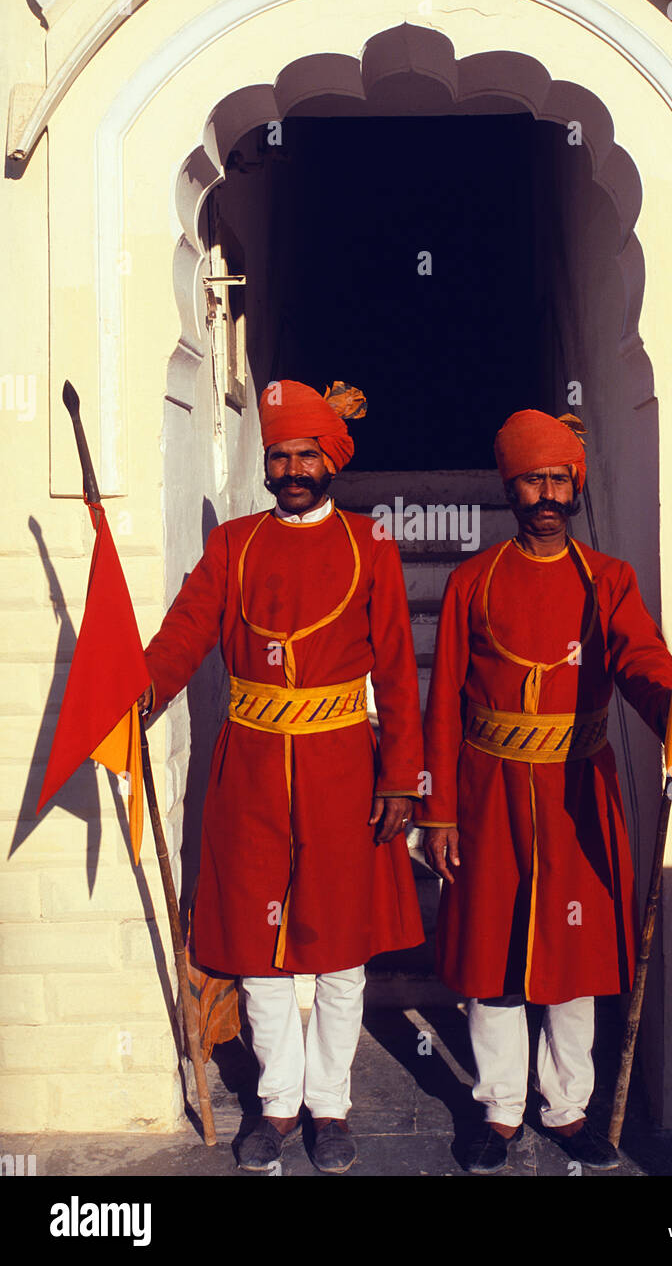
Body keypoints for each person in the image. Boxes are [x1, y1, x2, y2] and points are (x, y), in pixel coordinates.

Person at [139, 379, 424, 1173]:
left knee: (339, 954)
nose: (292, 468)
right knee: (260, 952)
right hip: (251, 773)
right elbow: (186, 630)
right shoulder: (233, 544)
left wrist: (401, 778)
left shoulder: (372, 544)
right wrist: (143, 690)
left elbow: (399, 673)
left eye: (306, 454)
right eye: (278, 456)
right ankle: (277, 1104)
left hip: (343, 771)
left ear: (331, 460)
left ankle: (330, 1107)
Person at [420, 407, 672, 1173]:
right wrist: (436, 812)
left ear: (574, 482)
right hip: (487, 791)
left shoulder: (610, 580)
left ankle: (566, 1108)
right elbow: (442, 707)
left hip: (577, 793)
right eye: (530, 478)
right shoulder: (473, 579)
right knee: (492, 962)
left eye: (557, 477)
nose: (545, 493)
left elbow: (641, 661)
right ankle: (498, 1109)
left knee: (574, 960)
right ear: (509, 486)